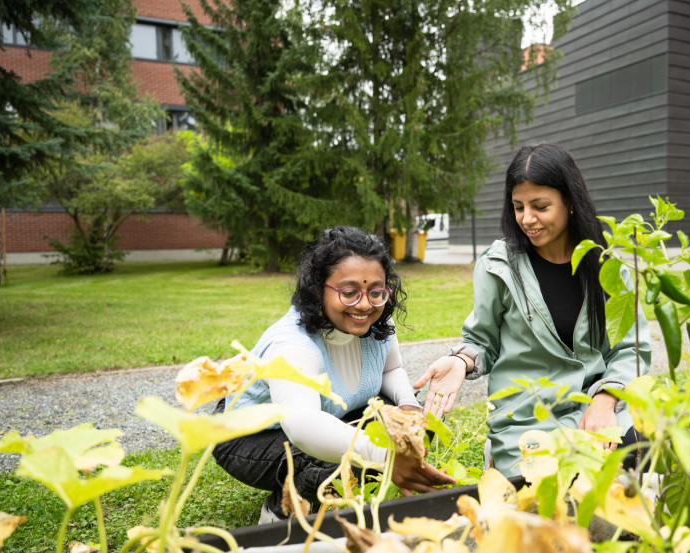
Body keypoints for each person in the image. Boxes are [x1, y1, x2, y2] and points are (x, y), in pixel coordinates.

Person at [413, 142, 652, 475]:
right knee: (556, 489)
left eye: (540, 206)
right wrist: (459, 360)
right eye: (518, 206)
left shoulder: (607, 267)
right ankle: (498, 456)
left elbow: (630, 348)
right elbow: (482, 340)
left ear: (569, 201)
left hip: (594, 407)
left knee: (642, 455)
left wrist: (606, 400)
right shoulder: (499, 266)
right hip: (529, 418)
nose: (527, 219)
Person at [213, 226, 454, 524]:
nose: (365, 304)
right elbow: (302, 424)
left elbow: (390, 369)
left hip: (321, 413)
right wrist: (384, 459)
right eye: (349, 292)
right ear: (317, 289)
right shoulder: (292, 344)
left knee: (411, 429)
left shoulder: (375, 319)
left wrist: (408, 408)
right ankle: (283, 509)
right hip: (249, 438)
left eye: (376, 291)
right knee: (347, 457)